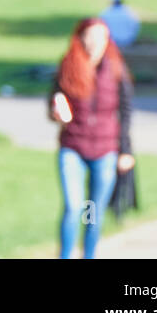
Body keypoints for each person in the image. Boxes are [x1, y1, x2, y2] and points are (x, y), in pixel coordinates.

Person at [48, 17, 135, 259]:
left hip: (105, 148)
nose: (96, 42)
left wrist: (126, 151)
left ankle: (89, 254)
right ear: (81, 37)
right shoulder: (68, 67)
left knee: (92, 212)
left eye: (101, 36)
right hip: (73, 147)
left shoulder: (116, 69)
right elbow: (54, 103)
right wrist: (57, 112)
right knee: (74, 207)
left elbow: (126, 112)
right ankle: (65, 254)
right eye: (91, 35)